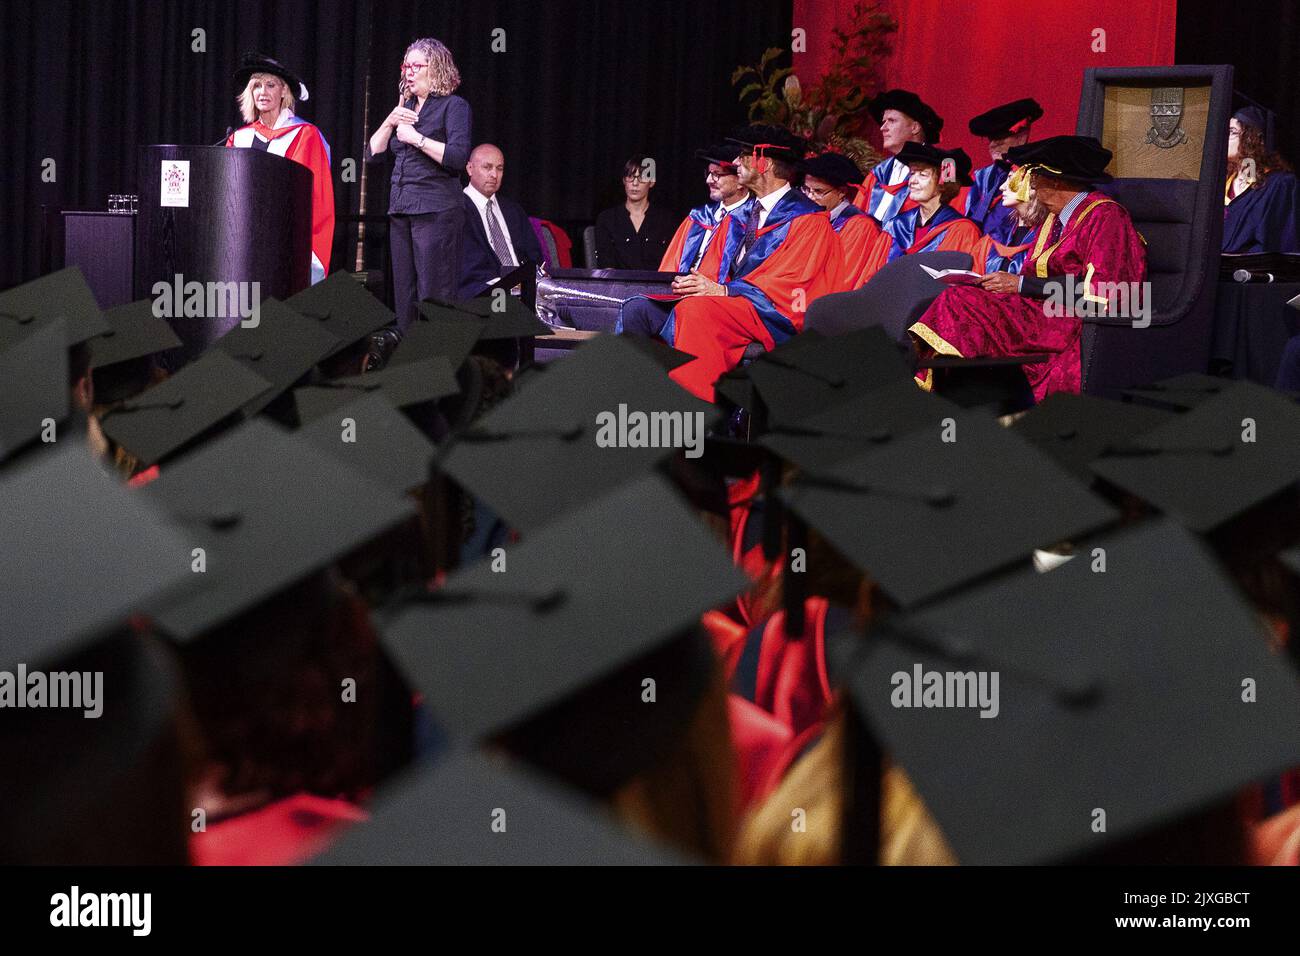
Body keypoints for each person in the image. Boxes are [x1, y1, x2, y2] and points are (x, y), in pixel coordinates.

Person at [616, 125, 843, 401]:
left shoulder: (807, 220)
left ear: (764, 162)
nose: (735, 162)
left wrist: (722, 291)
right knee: (638, 308)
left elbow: (792, 284)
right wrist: (697, 284)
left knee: (697, 312)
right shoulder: (744, 215)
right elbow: (717, 269)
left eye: (744, 155)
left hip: (773, 314)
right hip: (736, 304)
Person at [910, 136, 1146, 401]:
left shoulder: (1106, 216)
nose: (1031, 185)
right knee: (947, 301)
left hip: (1070, 319)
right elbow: (1031, 278)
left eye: (1035, 177)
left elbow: (1110, 293)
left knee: (961, 302)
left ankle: (965, 396)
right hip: (1038, 310)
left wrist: (1020, 285)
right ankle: (959, 394)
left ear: (1055, 181)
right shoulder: (1055, 219)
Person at [367, 38, 472, 331]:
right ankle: (408, 365)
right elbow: (372, 155)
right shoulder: (405, 108)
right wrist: (389, 122)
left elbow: (457, 157)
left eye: (416, 66)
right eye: (406, 66)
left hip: (436, 210)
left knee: (433, 296)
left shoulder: (453, 106)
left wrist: (418, 139)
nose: (409, 72)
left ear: (435, 68)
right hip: (401, 209)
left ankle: (437, 364)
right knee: (405, 296)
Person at [225, 53, 335, 284]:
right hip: (241, 245)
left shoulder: (306, 136)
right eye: (256, 85)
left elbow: (317, 199)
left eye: (270, 85)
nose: (262, 92)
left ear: (284, 91)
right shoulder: (238, 139)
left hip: (285, 247)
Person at [458, 143, 543, 298]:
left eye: (499, 168)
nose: (494, 175)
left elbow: (534, 255)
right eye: (487, 167)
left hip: (525, 290)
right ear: (470, 169)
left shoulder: (513, 210)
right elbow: (467, 268)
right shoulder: (457, 209)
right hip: (484, 292)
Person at [660, 144, 755, 280]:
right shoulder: (699, 217)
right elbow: (670, 266)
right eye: (709, 173)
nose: (709, 180)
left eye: (717, 174)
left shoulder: (752, 220)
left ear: (740, 180)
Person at [852, 89, 944, 226]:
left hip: (918, 243)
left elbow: (952, 212)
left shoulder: (945, 165)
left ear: (914, 127)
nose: (883, 128)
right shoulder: (878, 173)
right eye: (883, 122)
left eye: (892, 121)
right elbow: (856, 218)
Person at [877, 143, 980, 263]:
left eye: (922, 175)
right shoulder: (896, 226)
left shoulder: (961, 230)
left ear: (943, 183)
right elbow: (872, 275)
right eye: (912, 174)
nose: (912, 181)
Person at [800, 151, 882, 290]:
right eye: (806, 189)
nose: (810, 197)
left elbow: (844, 279)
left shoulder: (860, 227)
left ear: (842, 192)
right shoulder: (808, 219)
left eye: (818, 191)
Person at [1223, 106, 1299, 254]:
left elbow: (1279, 241)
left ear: (1251, 138)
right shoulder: (1221, 183)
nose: (1224, 138)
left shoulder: (1280, 185)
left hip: (1250, 272)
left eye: (1231, 132)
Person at [966, 97, 1042, 240]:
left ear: (1021, 137)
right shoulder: (981, 176)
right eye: (991, 139)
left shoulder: (1036, 176)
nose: (992, 145)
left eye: (1000, 139)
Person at [595, 156, 679, 269]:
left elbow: (671, 263)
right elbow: (606, 264)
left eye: (642, 178)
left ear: (651, 182)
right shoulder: (607, 219)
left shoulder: (665, 220)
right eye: (630, 177)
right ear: (624, 180)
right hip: (617, 284)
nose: (635, 183)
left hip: (656, 284)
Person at [969, 163, 1047, 274]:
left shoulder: (1051, 238)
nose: (1002, 187)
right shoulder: (993, 238)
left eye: (1011, 179)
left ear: (1033, 186)